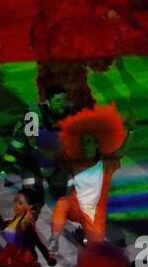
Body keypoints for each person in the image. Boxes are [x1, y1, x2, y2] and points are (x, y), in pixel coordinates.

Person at [48, 104, 130, 255]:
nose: (85, 146)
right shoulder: (74, 162)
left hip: (94, 214)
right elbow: (55, 178)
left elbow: (122, 151)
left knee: (94, 251)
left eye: (88, 142)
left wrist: (131, 131)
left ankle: (85, 243)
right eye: (83, 143)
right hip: (74, 207)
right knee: (62, 203)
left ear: (97, 144)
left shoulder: (107, 164)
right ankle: (54, 240)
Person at [0, 189, 55, 265]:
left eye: (20, 203)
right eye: (15, 201)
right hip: (11, 255)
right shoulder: (17, 218)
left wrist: (49, 259)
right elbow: (1, 224)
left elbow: (39, 243)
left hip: (23, 260)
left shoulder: (26, 224)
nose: (16, 205)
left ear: (30, 206)